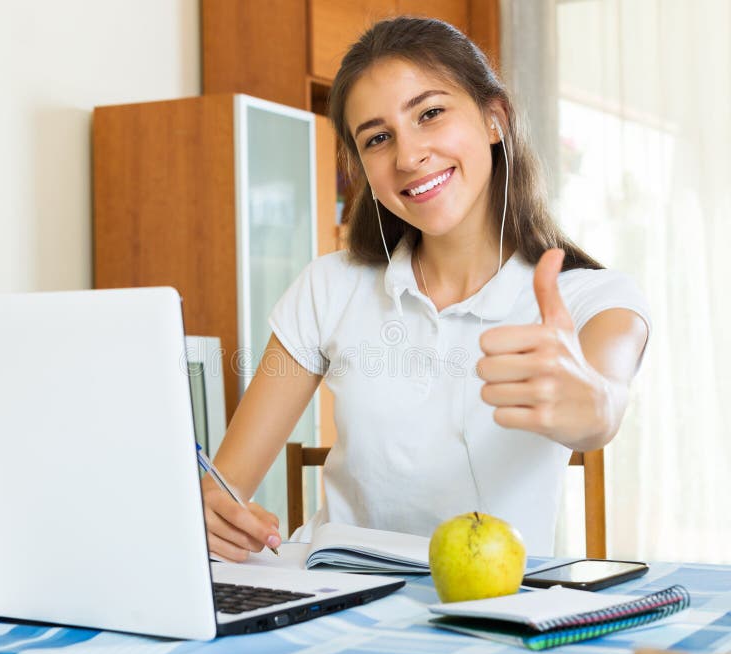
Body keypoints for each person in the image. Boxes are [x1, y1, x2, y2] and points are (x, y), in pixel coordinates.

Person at [201, 16, 650, 560]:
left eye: (430, 114)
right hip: (335, 589)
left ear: (494, 119)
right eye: (378, 138)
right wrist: (212, 518)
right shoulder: (329, 286)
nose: (408, 156)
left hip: (490, 607)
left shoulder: (591, 298)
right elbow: (223, 490)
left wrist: (591, 404)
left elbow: (605, 404)